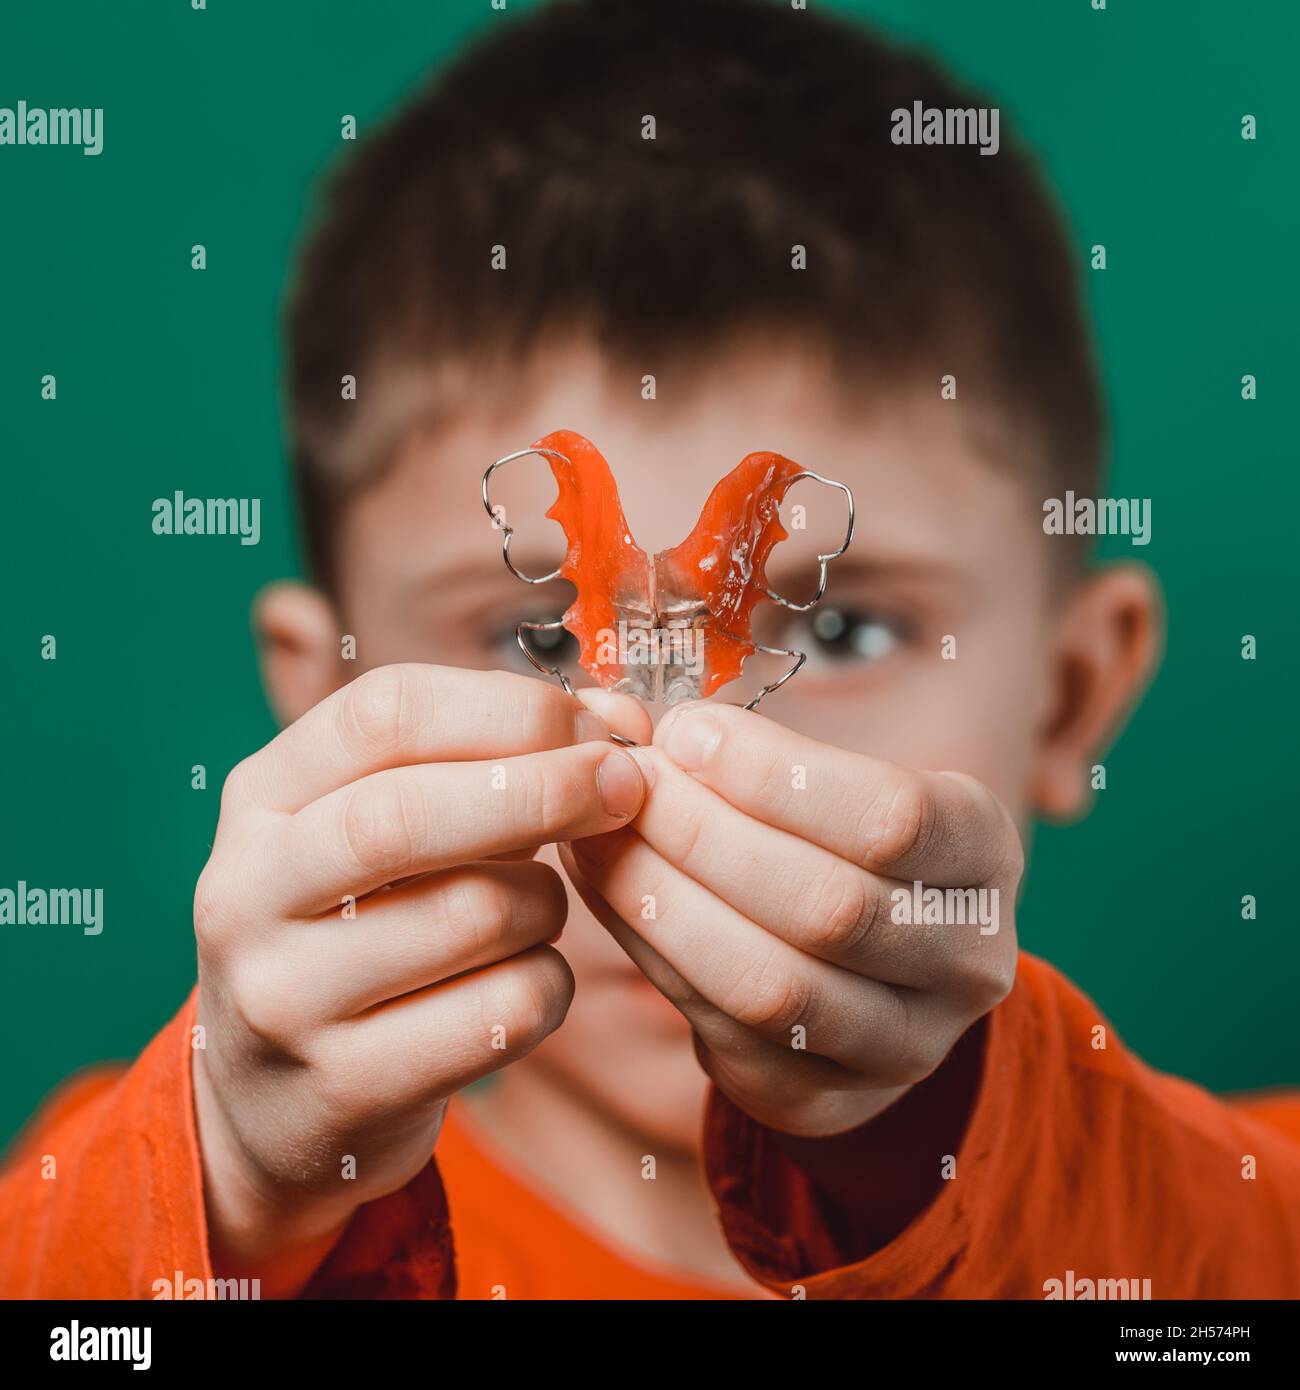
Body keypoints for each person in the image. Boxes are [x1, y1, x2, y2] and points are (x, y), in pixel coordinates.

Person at [3, 0, 1297, 1300]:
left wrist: (934, 1126)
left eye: (844, 627)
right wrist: (236, 1181)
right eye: (538, 634)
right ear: (325, 698)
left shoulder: (1236, 1210)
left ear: (1072, 696)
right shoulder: (172, 1202)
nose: (672, 739)